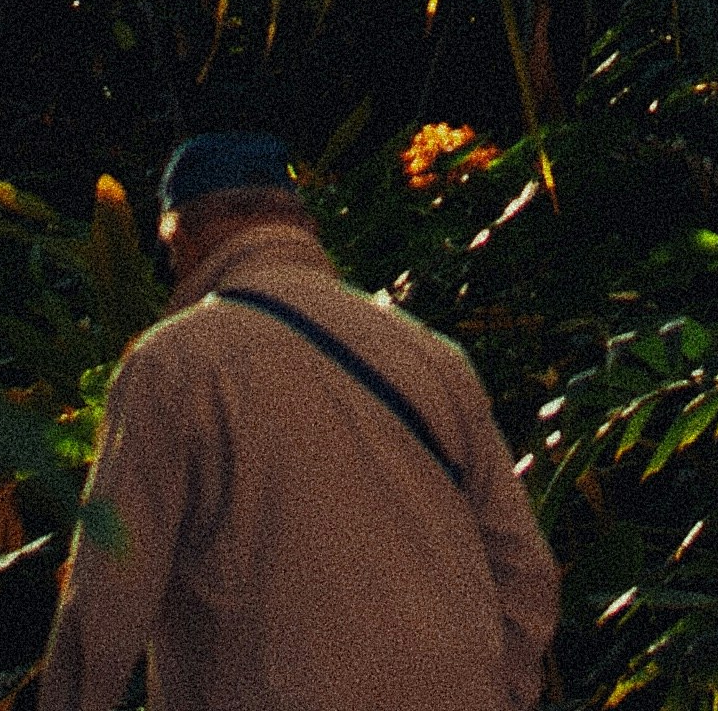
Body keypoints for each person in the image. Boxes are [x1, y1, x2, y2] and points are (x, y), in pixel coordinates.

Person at [30, 130, 559, 711]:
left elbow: (107, 602)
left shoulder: (174, 364)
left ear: (187, 232)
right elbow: (526, 572)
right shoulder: (433, 359)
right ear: (299, 224)